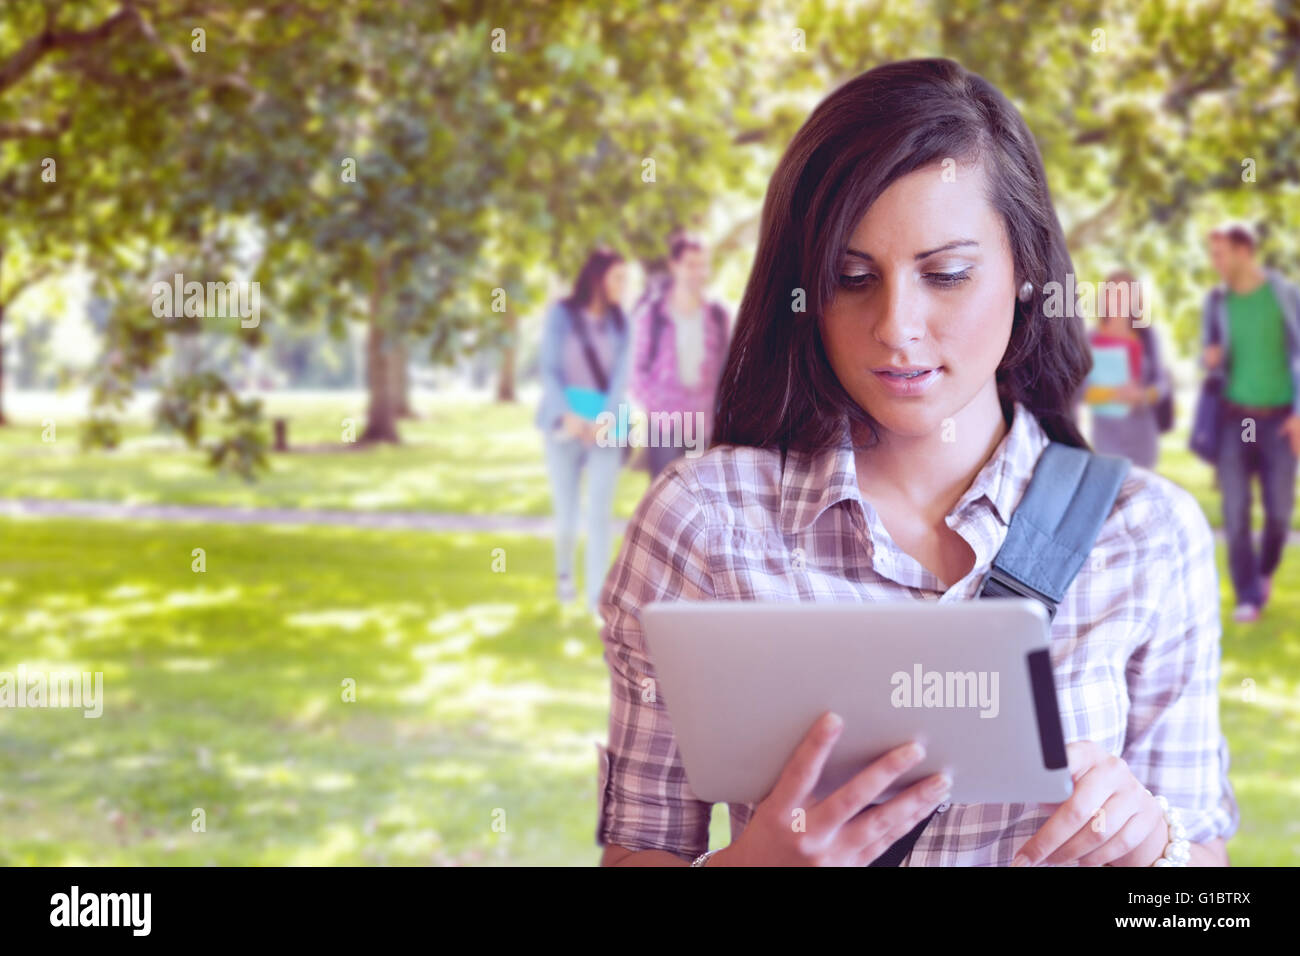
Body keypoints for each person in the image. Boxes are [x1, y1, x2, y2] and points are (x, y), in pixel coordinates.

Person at [595, 59, 1237, 866]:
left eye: (947, 275)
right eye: (851, 278)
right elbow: (640, 850)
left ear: (1026, 273)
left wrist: (1157, 844)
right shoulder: (704, 521)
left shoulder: (1146, 534)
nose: (896, 327)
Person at [1201, 221, 1300, 623]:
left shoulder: (1285, 295)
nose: (1216, 262)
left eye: (1221, 253)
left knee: (1279, 513)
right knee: (1236, 509)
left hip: (1279, 421)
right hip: (1236, 419)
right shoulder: (1217, 302)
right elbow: (1213, 358)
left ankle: (1264, 572)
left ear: (1244, 252)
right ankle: (1247, 595)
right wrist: (1211, 359)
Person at [535, 247, 631, 614]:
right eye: (618, 278)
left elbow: (621, 378)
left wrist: (604, 420)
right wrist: (567, 416)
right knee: (567, 514)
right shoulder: (561, 315)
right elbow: (549, 369)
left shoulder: (622, 323)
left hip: (606, 428)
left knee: (599, 515)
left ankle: (595, 598)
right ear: (598, 278)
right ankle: (564, 576)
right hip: (564, 426)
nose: (623, 285)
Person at [629, 232, 731, 478]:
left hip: (704, 428)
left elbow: (728, 371)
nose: (698, 272)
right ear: (674, 266)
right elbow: (634, 374)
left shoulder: (718, 315)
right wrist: (666, 411)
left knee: (705, 496)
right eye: (691, 265)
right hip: (664, 428)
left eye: (702, 265)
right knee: (663, 496)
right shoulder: (651, 315)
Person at [1078, 271, 1173, 468]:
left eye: (1126, 293)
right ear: (1104, 298)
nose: (1119, 299)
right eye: (1114, 292)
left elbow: (1162, 382)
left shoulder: (1148, 336)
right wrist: (1113, 394)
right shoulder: (1090, 340)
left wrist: (1145, 395)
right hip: (1107, 436)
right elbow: (1079, 390)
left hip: (1142, 434)